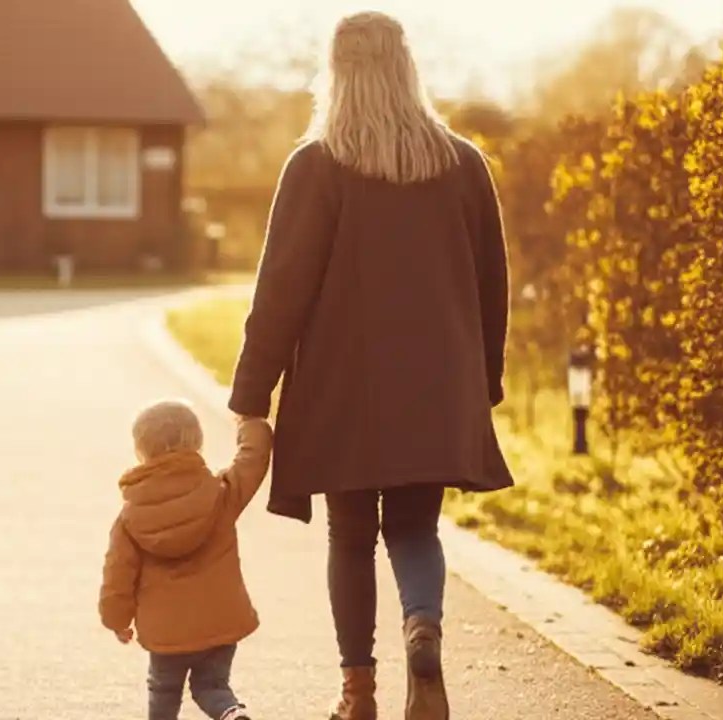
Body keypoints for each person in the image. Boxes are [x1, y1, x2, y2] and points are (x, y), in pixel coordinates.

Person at [226, 11, 515, 720]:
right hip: (438, 386)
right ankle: (424, 628)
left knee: (349, 536)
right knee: (415, 528)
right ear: (406, 68)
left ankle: (358, 695)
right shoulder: (463, 163)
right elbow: (492, 285)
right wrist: (485, 382)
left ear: (337, 72)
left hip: (341, 388)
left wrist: (251, 399)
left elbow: (280, 292)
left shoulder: (316, 165)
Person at [99, 400, 273, 720]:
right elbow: (253, 461)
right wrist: (251, 421)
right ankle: (230, 713)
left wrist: (117, 619)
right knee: (212, 684)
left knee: (164, 690)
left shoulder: (130, 518)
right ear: (197, 442)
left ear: (141, 451)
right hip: (220, 619)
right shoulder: (220, 494)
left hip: (166, 632)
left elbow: (117, 576)